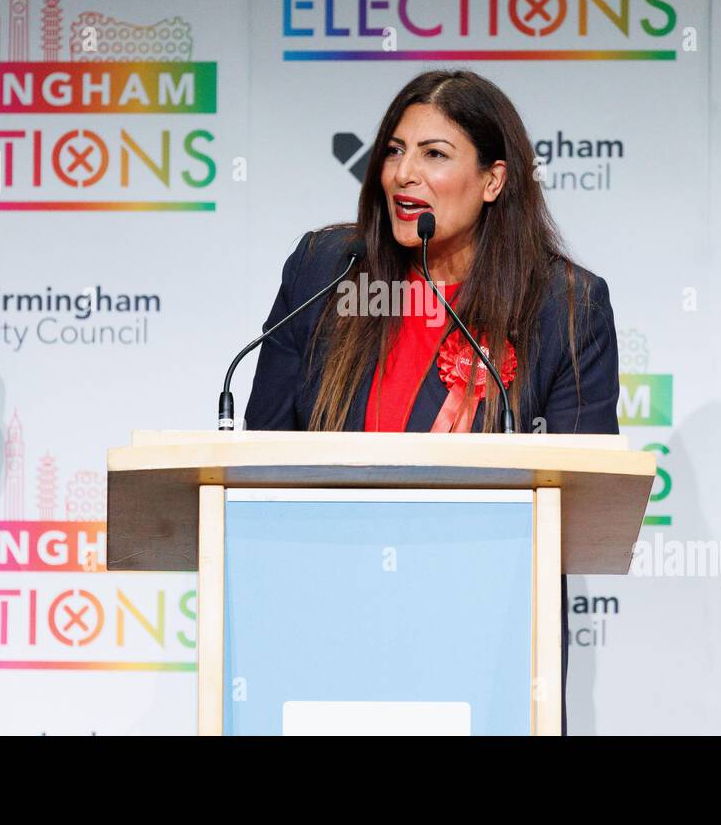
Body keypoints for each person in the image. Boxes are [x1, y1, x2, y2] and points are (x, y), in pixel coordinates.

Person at [245, 69, 620, 734]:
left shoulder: (567, 307)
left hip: (485, 640)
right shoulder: (322, 271)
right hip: (319, 627)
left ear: (494, 181)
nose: (401, 175)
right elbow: (257, 457)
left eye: (434, 154)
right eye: (394, 150)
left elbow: (580, 505)